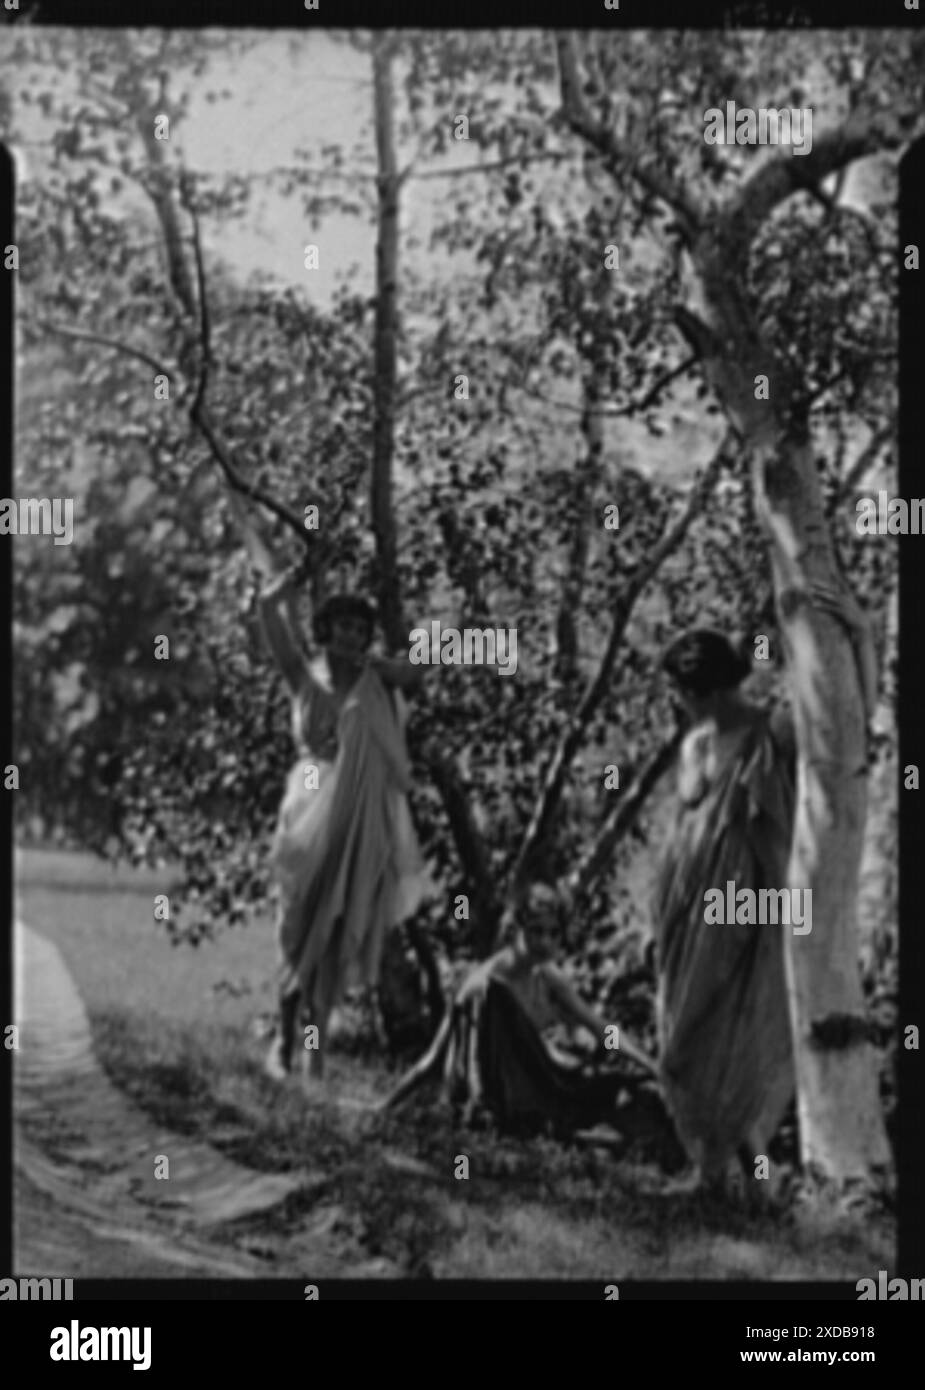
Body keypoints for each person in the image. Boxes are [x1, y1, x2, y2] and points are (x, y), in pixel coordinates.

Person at [227, 489, 431, 1088]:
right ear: (324, 630)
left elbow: (420, 669)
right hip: (311, 807)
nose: (351, 636)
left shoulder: (377, 679)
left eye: (360, 628)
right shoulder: (305, 678)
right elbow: (270, 614)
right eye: (341, 626)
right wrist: (299, 573)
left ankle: (314, 1055)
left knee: (338, 935)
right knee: (298, 931)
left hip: (362, 819)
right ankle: (286, 1045)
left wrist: (398, 664)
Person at [652, 627, 797, 1190]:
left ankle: (751, 1179)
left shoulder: (774, 731)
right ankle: (715, 1174)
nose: (676, 702)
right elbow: (688, 817)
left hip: (742, 900)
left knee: (722, 1032)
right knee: (682, 1026)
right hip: (686, 903)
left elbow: (779, 822)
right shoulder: (694, 742)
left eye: (680, 690)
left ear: (706, 689)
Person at [385, 884, 655, 1136]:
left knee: (624, 1093)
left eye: (552, 933)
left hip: (538, 1087)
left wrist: (651, 1064)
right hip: (494, 1096)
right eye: (536, 931)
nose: (544, 942)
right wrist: (387, 1105)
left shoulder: (547, 976)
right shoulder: (484, 985)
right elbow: (434, 1058)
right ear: (518, 930)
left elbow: (600, 1029)